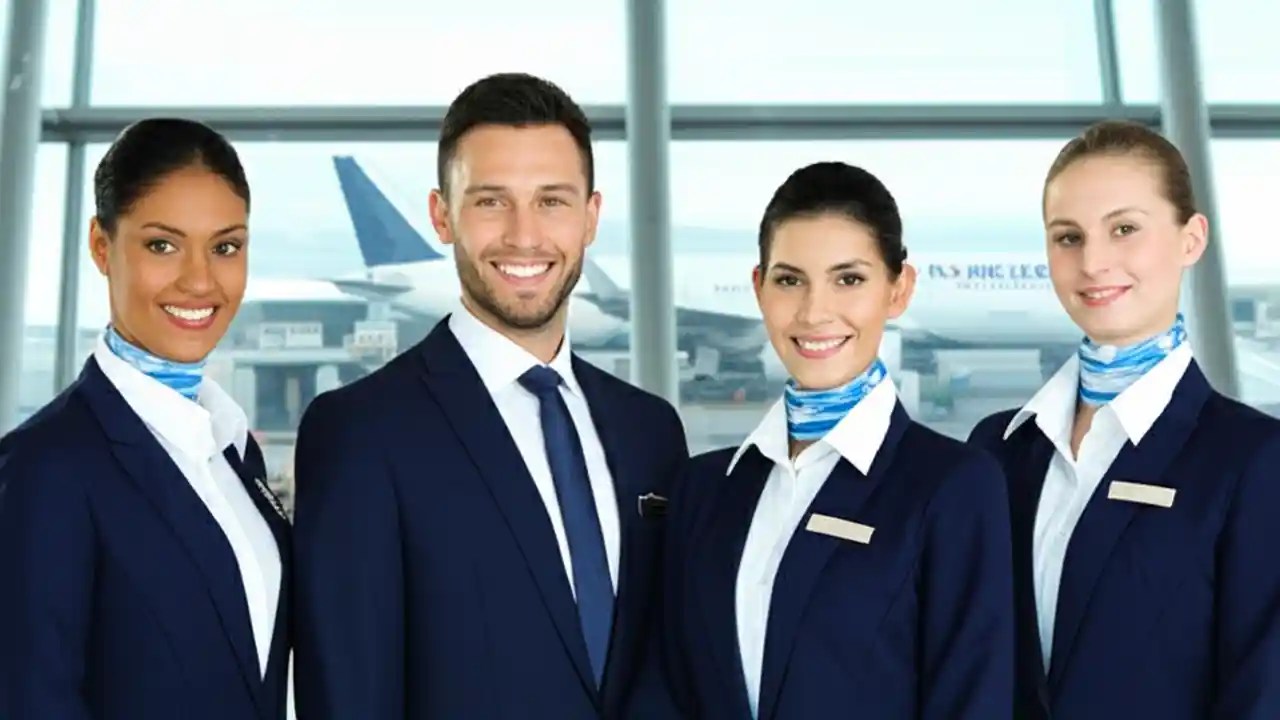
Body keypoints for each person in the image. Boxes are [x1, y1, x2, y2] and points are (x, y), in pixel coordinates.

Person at [292, 72, 689, 720]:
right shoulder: (361, 433)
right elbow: (349, 696)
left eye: (552, 201)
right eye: (490, 202)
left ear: (591, 216)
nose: (524, 235)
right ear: (442, 216)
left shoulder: (650, 432)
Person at [663, 161, 1014, 719]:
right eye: (789, 279)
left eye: (848, 279)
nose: (814, 312)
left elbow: (972, 698)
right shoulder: (702, 490)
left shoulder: (953, 486)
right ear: (759, 289)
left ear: (898, 290)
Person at [968, 119, 1280, 719]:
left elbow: (1262, 693)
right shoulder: (998, 451)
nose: (1093, 262)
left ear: (1191, 239)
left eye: (1125, 229)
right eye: (1068, 237)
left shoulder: (1253, 462)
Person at [0, 119, 291, 719]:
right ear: (102, 247)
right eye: (163, 244)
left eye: (225, 246)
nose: (200, 280)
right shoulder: (45, 469)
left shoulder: (232, 449)